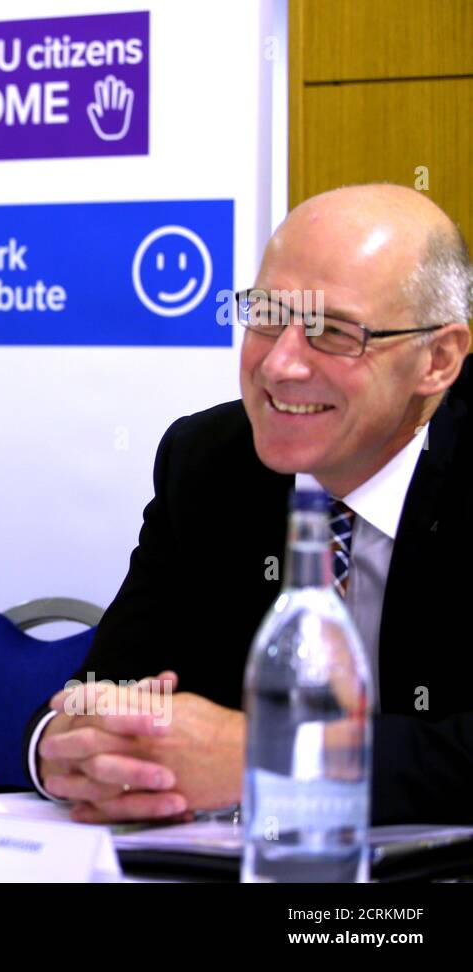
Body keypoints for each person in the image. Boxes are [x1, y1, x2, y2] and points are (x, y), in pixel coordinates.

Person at [26, 184, 473, 825]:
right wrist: (65, 748)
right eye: (266, 315)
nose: (280, 365)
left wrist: (268, 758)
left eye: (334, 332)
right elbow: (109, 686)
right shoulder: (207, 461)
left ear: (438, 359)